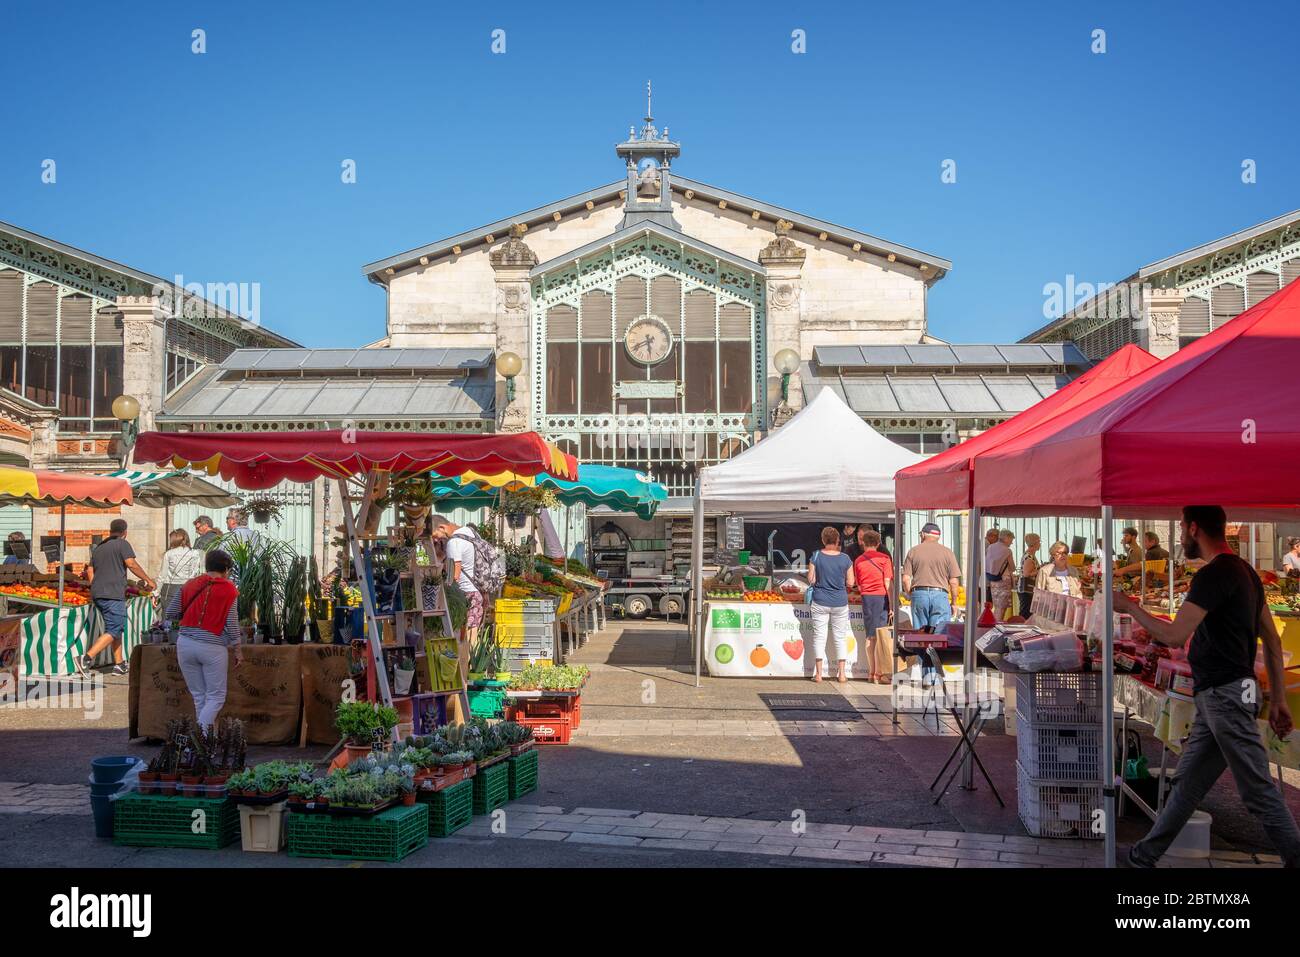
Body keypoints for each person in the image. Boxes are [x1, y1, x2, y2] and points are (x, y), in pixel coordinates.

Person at [1118, 506, 1300, 869]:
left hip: (1225, 695)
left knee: (1257, 789)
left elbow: (1174, 634)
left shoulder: (1214, 575)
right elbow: (1273, 643)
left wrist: (1129, 607)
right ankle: (1143, 856)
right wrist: (1278, 699)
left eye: (1183, 528)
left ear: (1195, 528)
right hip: (1224, 695)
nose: (1181, 536)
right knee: (1187, 785)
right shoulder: (1245, 571)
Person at [170, 549, 243, 727]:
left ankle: (206, 744)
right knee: (216, 697)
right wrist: (238, 649)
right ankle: (199, 739)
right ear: (225, 569)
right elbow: (232, 623)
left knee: (199, 697)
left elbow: (170, 612)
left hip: (185, 643)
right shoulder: (229, 589)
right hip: (213, 646)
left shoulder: (189, 584)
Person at [75, 519, 156, 677]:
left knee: (115, 628)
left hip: (99, 594)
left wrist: (96, 584)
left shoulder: (99, 548)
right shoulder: (122, 544)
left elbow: (90, 570)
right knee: (115, 628)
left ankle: (119, 664)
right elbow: (131, 564)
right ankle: (85, 658)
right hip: (112, 594)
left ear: (110, 530)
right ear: (125, 532)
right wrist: (148, 579)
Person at [806, 526, 855, 683]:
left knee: (819, 636)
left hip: (820, 600)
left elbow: (811, 579)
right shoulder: (846, 559)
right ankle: (841, 674)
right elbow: (851, 582)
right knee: (840, 637)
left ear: (823, 540)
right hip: (840, 601)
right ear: (838, 540)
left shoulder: (816, 556)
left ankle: (819, 674)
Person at [431, 515, 485, 640]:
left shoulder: (454, 541)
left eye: (435, 536)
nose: (435, 540)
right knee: (470, 630)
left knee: (468, 632)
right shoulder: (471, 533)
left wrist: (446, 584)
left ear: (442, 527)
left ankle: (467, 658)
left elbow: (455, 572)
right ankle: (470, 657)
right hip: (476, 590)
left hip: (465, 592)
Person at [901, 522, 962, 633]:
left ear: (923, 534)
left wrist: (911, 594)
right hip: (940, 595)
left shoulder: (913, 551)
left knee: (920, 634)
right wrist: (954, 603)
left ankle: (921, 650)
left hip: (919, 594)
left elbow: (905, 578)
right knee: (939, 634)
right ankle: (936, 650)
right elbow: (953, 582)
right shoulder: (948, 553)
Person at [854, 528, 893, 684]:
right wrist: (891, 605)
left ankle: (871, 673)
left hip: (867, 598)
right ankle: (880, 673)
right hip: (881, 597)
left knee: (870, 636)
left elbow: (859, 585)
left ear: (863, 543)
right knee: (881, 635)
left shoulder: (858, 560)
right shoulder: (884, 558)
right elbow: (888, 583)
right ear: (878, 543)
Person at [156, 529, 204, 621]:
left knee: (168, 618)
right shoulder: (194, 553)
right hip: (187, 588)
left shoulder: (169, 554)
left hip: (169, 589)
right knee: (186, 618)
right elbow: (194, 573)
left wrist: (156, 592)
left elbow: (162, 575)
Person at [986, 529, 1016, 621]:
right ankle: (996, 626)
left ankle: (994, 624)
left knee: (997, 606)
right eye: (1011, 539)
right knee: (1001, 608)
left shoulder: (990, 547)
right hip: (1003, 581)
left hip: (992, 580)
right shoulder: (1007, 551)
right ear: (1006, 538)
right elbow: (1012, 568)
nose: (1012, 542)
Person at [1016, 533, 1042, 618]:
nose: (1040, 544)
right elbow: (1026, 574)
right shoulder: (1029, 557)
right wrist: (1040, 570)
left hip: (1027, 589)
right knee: (1025, 614)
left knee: (1027, 613)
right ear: (1034, 543)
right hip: (1026, 590)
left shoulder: (1030, 555)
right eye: (1039, 541)